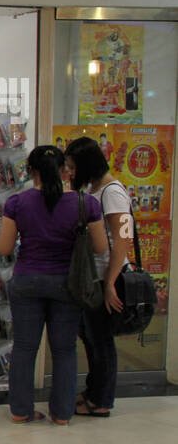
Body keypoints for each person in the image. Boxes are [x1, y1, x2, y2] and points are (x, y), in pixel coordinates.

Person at [0, 145, 107, 425]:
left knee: (24, 348)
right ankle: (61, 414)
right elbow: (100, 247)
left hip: (26, 281)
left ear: (31, 171)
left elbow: (4, 247)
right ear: (64, 170)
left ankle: (21, 410)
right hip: (68, 284)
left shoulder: (17, 203)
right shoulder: (86, 204)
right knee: (64, 350)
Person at [65, 137, 132, 417]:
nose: (69, 171)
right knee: (91, 337)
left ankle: (101, 399)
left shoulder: (112, 192)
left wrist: (111, 283)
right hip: (93, 275)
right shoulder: (95, 189)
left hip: (107, 275)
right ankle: (93, 391)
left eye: (72, 166)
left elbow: (123, 239)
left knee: (101, 339)